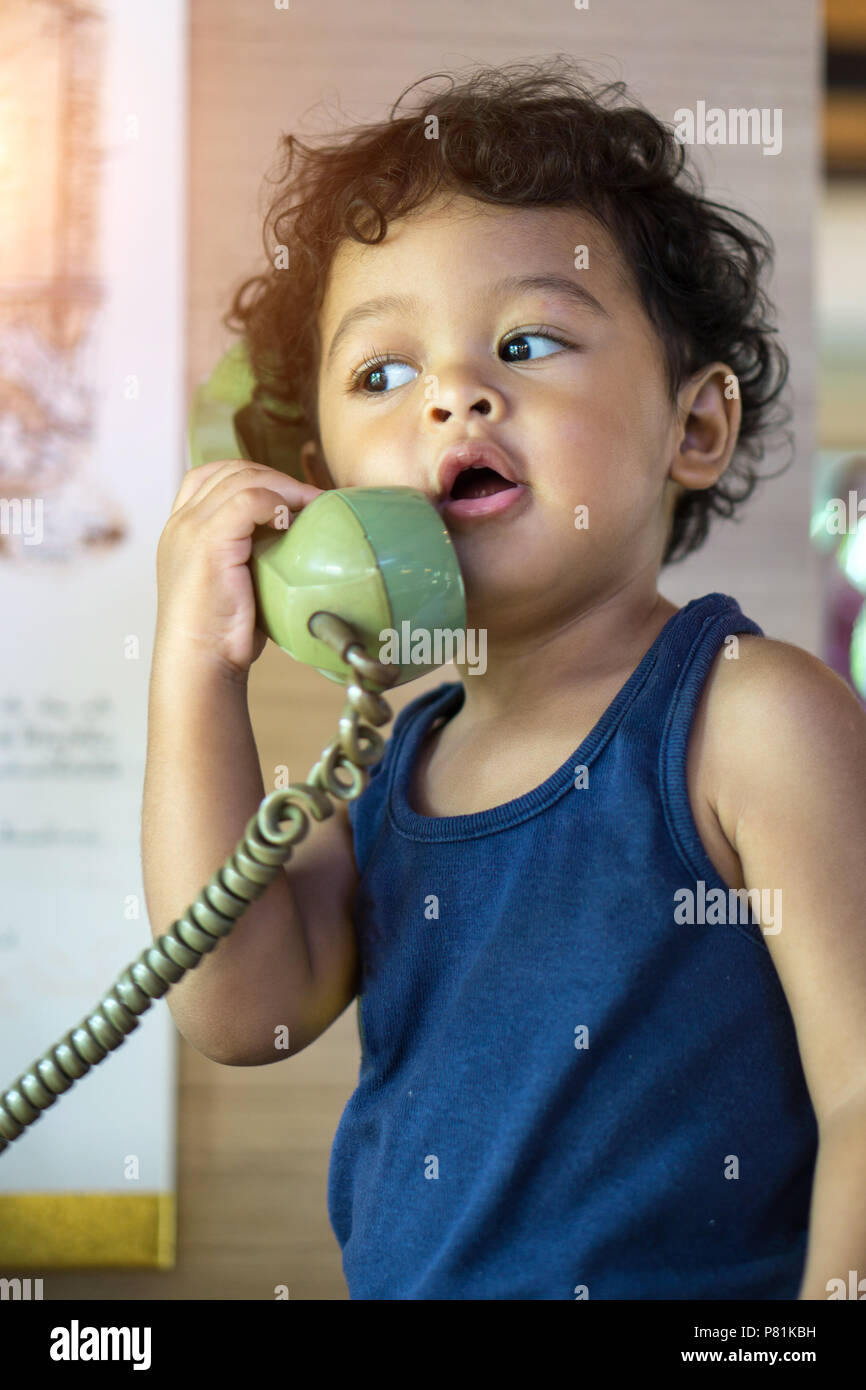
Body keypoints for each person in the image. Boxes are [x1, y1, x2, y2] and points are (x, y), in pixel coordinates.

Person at [142, 59, 866, 1300]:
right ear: (327, 482)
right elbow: (238, 1008)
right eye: (381, 375)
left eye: (525, 343)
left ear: (694, 427)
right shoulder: (393, 766)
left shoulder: (751, 716)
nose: (451, 397)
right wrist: (193, 671)